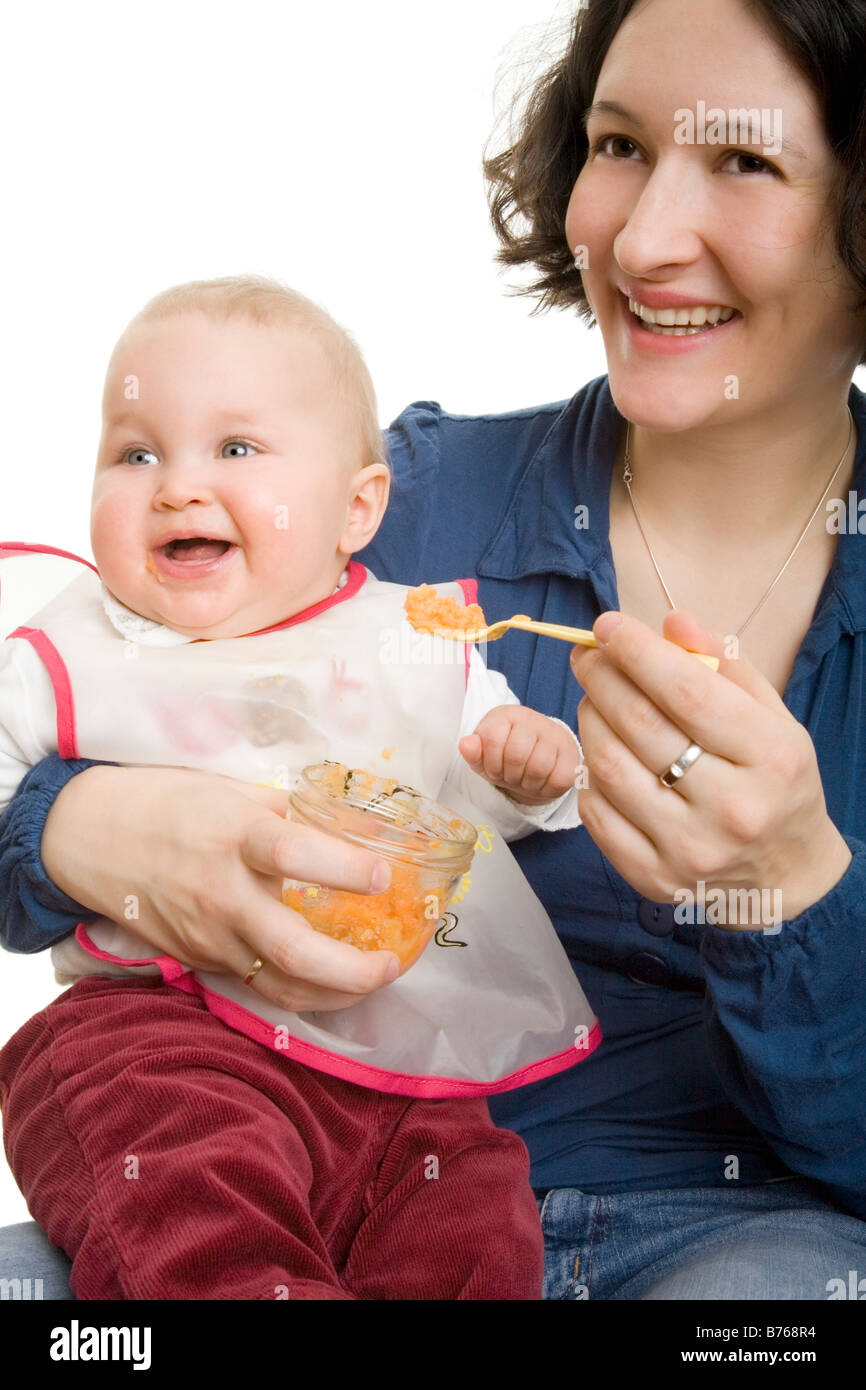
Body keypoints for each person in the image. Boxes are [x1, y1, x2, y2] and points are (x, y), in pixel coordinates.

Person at [3, 0, 866, 1300]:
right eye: (618, 144)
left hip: (736, 1248)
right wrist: (79, 824)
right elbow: (99, 692)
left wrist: (793, 895)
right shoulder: (371, 510)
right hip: (308, 1188)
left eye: (742, 161)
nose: (637, 238)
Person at [0, 275, 593, 1300]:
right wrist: (57, 825)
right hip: (160, 1039)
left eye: (234, 450)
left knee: (478, 1215)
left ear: (357, 507)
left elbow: (469, 798)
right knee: (197, 1209)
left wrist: (524, 769)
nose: (178, 486)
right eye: (136, 453)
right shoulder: (73, 646)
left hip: (393, 1064)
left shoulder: (408, 641)